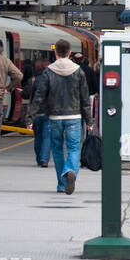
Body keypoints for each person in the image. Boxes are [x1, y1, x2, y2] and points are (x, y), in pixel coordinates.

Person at [31, 39, 91, 195]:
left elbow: (39, 96)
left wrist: (30, 118)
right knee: (73, 148)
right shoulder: (79, 71)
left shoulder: (48, 71)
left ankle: (61, 184)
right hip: (74, 116)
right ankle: (70, 170)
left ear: (56, 53)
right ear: (69, 53)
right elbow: (85, 98)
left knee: (57, 150)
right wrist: (89, 120)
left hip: (55, 117)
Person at [30, 59, 51, 167]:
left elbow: (25, 94)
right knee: (47, 137)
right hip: (48, 113)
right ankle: (44, 159)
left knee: (38, 137)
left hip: (36, 113)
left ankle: (39, 158)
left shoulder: (33, 80)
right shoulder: (52, 79)